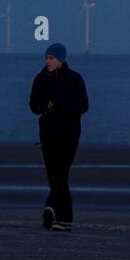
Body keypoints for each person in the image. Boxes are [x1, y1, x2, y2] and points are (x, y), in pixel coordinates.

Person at [28, 42, 89, 231]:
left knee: (60, 175)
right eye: (46, 58)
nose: (48, 61)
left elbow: (83, 105)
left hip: (68, 135)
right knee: (54, 176)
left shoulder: (74, 79)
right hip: (47, 134)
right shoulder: (40, 79)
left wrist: (60, 107)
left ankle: (61, 215)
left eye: (52, 58)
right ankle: (55, 211)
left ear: (61, 60)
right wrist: (41, 108)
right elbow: (32, 104)